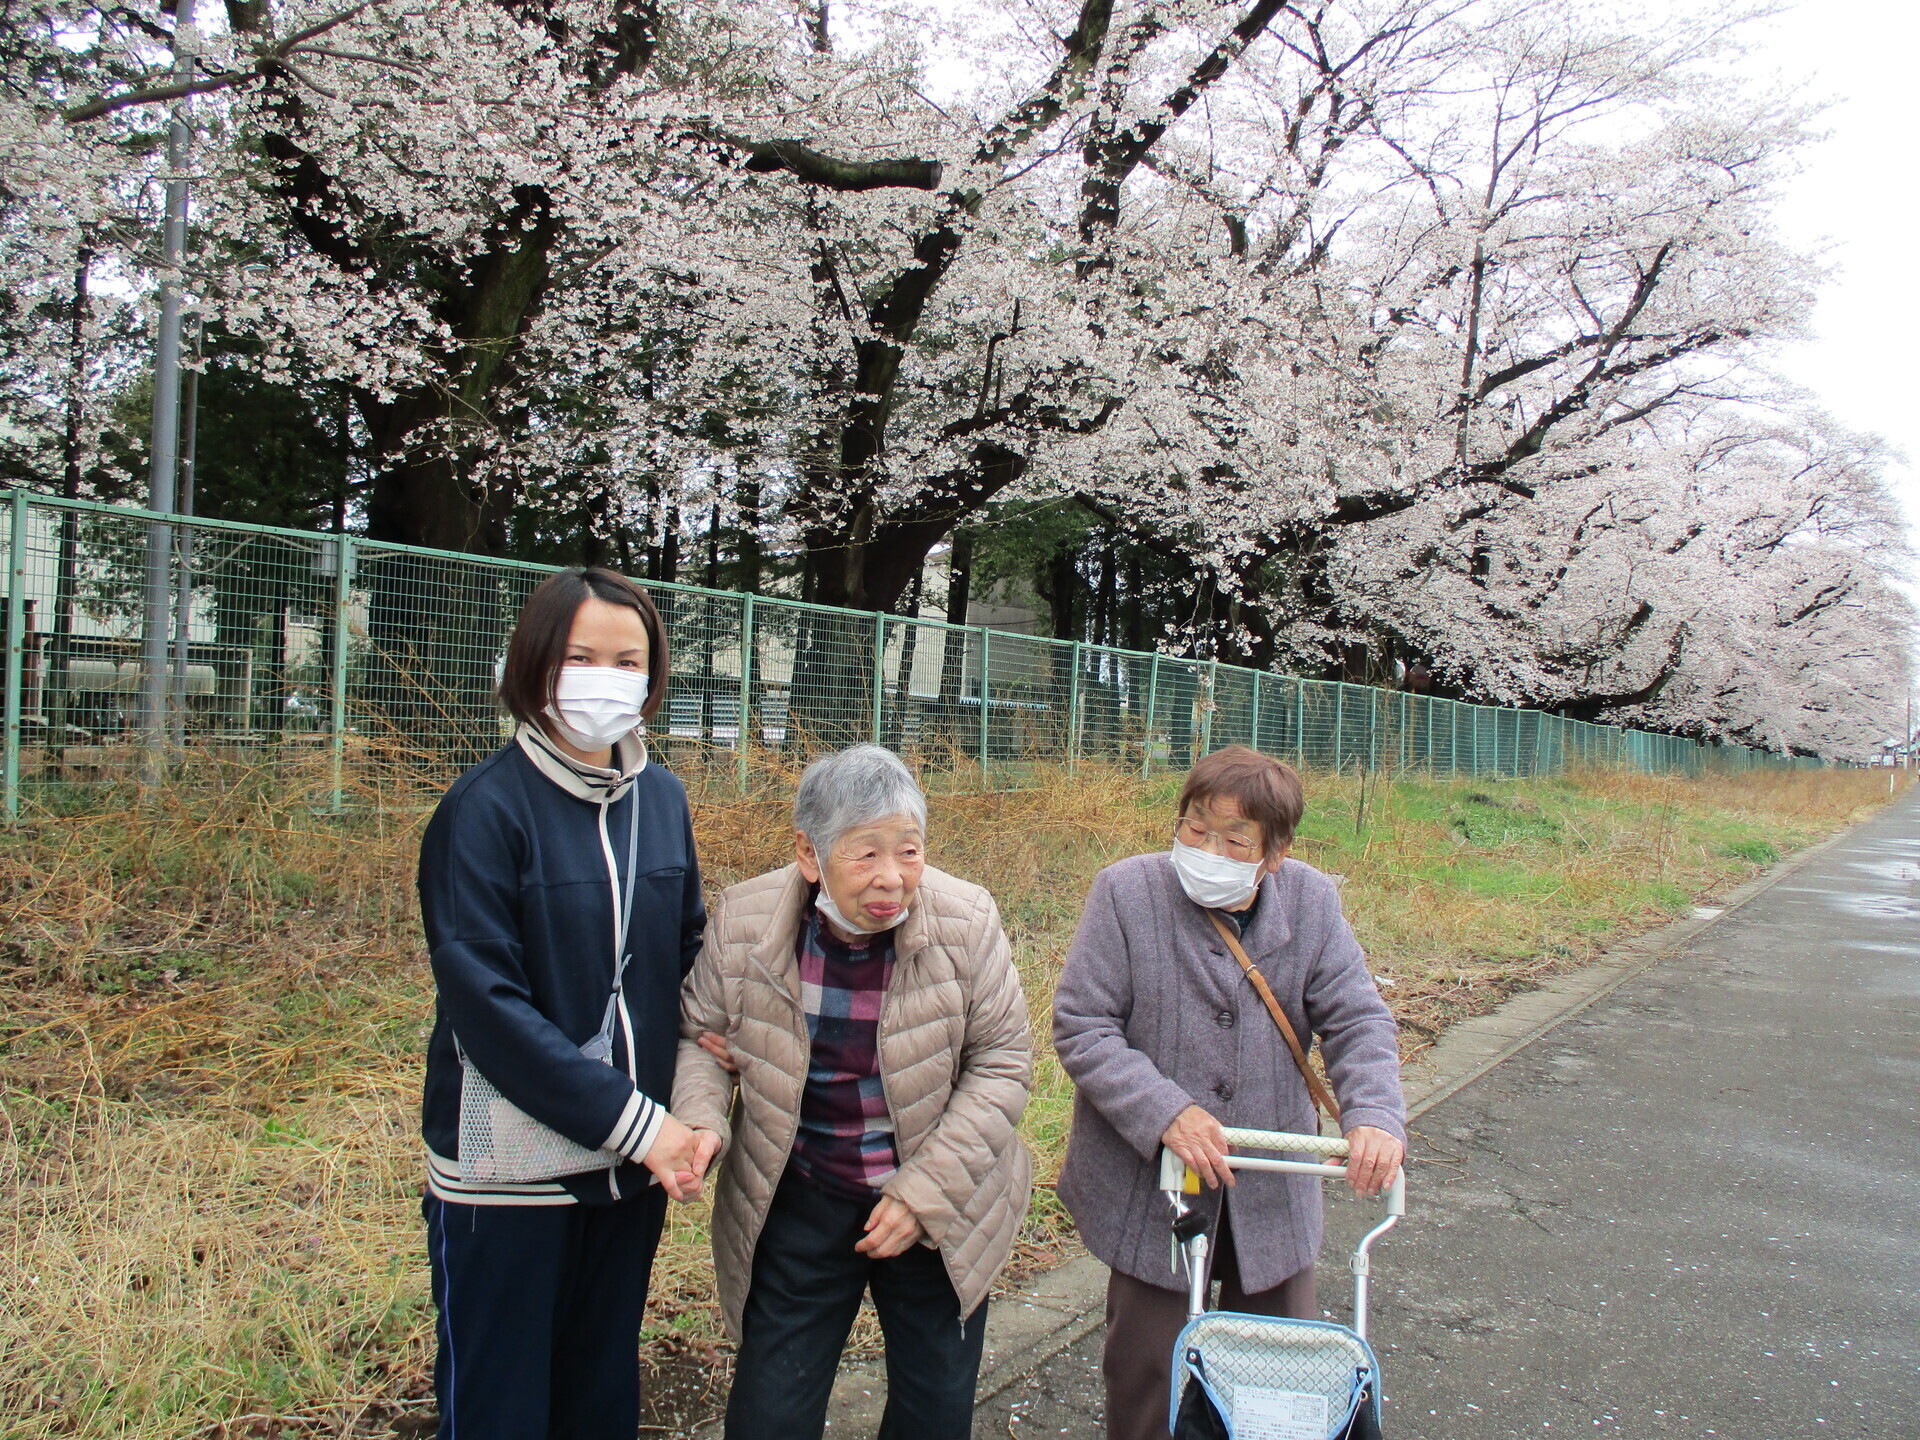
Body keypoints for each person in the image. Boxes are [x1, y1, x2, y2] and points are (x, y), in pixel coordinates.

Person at [415, 567, 710, 1440]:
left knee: (600, 1398)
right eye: (580, 657)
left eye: (627, 661)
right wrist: (640, 1125)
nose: (603, 679)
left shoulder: (662, 799)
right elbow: (489, 1009)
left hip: (629, 1175)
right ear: (535, 662)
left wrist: (709, 1064)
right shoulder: (483, 810)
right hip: (511, 1180)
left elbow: (689, 950)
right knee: (499, 1409)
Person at [673, 744, 1033, 1440]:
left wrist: (923, 1195)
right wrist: (702, 1119)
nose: (891, 877)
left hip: (939, 1198)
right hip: (801, 1192)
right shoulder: (746, 918)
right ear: (810, 854)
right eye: (865, 854)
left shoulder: (966, 920)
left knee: (933, 1415)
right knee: (769, 1414)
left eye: (908, 851)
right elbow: (700, 1037)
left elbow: (1003, 1063)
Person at [1052, 745, 1406, 1440]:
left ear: (1274, 853)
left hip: (1271, 1177)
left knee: (1275, 1380)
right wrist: (1166, 1111)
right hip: (1154, 1182)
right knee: (1146, 1374)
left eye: (1234, 840)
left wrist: (1373, 1114)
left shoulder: (1311, 902)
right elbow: (1083, 1024)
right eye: (1196, 828)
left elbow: (1358, 1019)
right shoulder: (1125, 893)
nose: (1208, 850)